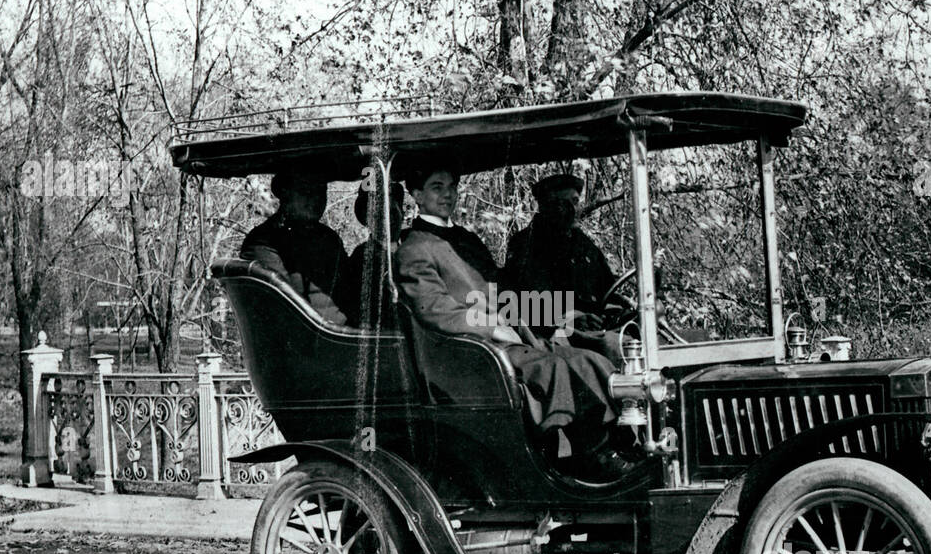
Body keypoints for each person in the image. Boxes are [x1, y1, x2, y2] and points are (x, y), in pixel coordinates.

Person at [394, 166, 637, 479]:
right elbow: (433, 309)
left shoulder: (464, 239)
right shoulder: (415, 248)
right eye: (436, 187)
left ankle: (613, 444)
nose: (447, 194)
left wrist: (561, 318)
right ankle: (585, 458)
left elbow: (502, 290)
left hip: (509, 338)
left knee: (589, 360)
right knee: (552, 368)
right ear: (416, 196)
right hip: (471, 351)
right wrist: (491, 327)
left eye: (452, 186)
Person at [504, 172, 620, 356]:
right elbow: (529, 302)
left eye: (575, 202)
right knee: (616, 346)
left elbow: (608, 288)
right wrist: (572, 318)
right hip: (555, 333)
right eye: (565, 204)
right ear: (547, 207)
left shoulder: (583, 244)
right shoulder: (526, 244)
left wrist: (615, 310)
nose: (574, 210)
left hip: (595, 329)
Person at [240, 173, 348, 326]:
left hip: (349, 334)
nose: (315, 200)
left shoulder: (328, 238)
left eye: (321, 192)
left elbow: (350, 288)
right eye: (306, 192)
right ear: (286, 194)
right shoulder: (263, 242)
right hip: (314, 339)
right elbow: (283, 310)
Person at [336, 182, 406, 327]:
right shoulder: (362, 257)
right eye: (380, 215)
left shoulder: (413, 249)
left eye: (393, 212)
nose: (389, 220)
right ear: (368, 220)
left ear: (402, 213)